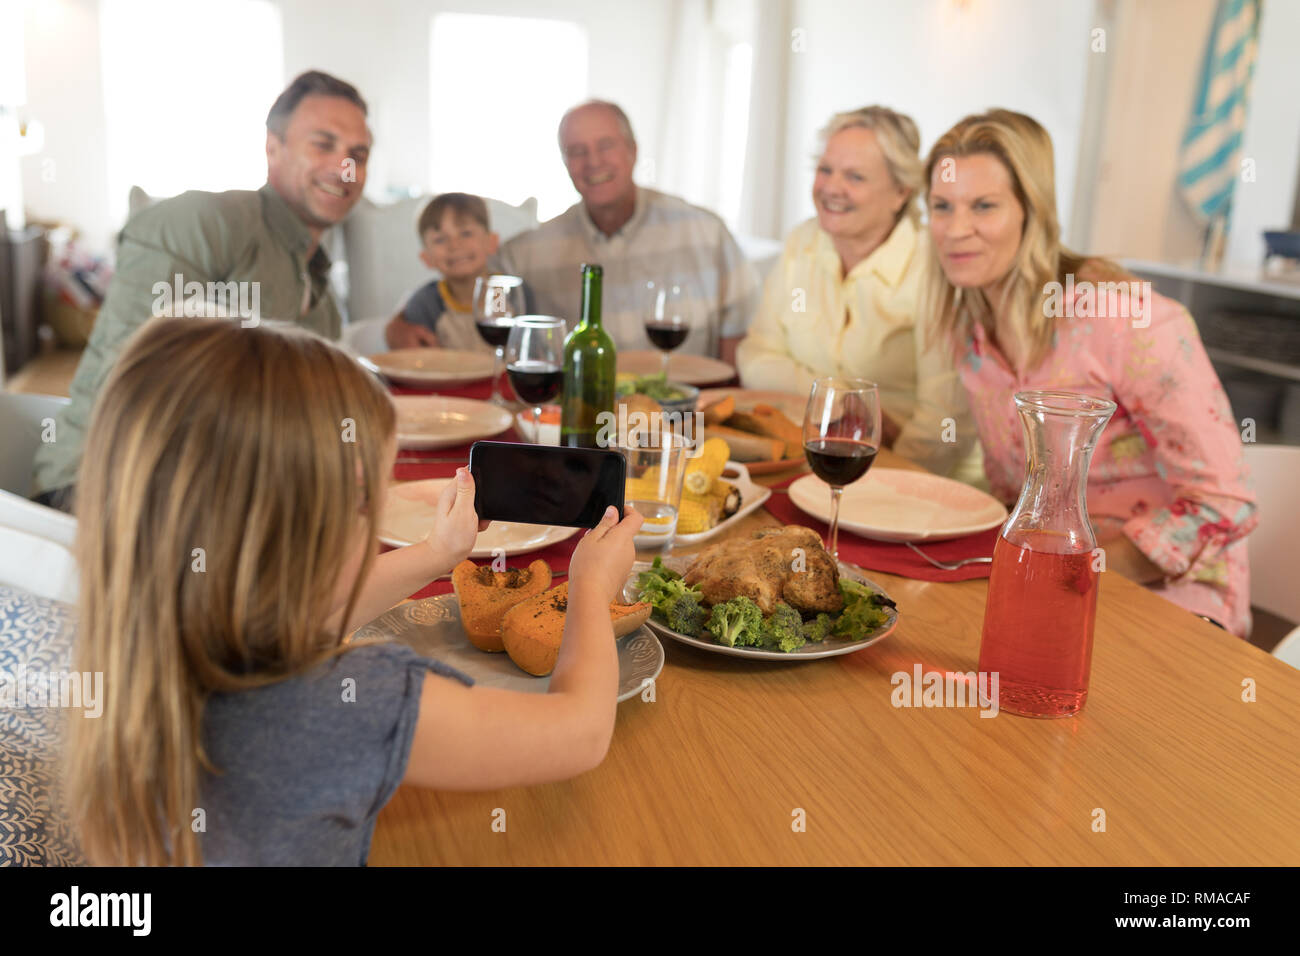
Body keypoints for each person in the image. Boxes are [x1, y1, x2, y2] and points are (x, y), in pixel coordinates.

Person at [64, 317, 644, 866]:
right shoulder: (355, 706)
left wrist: (437, 554)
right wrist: (591, 587)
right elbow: (580, 733)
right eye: (366, 500)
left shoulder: (137, 654)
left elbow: (302, 612)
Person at [923, 108, 1256, 636]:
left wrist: (1072, 576)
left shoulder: (1125, 317)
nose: (956, 229)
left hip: (1170, 597)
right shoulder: (971, 335)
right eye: (942, 206)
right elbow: (1019, 499)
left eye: (984, 206)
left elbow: (1224, 504)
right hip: (1050, 586)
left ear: (1032, 212)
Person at [32, 70, 372, 509]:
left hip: (225, 500)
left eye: (358, 154)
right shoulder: (204, 221)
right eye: (323, 144)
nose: (344, 168)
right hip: (108, 491)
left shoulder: (321, 297)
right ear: (273, 147)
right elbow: (136, 387)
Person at [736, 106, 981, 482]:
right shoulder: (804, 240)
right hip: (815, 463)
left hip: (918, 479)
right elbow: (754, 356)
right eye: (825, 169)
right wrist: (845, 404)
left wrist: (877, 482)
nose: (832, 188)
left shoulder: (935, 263)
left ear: (901, 192)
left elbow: (942, 427)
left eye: (855, 176)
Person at [498, 100, 760, 364]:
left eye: (605, 146)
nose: (593, 162)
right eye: (577, 151)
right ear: (565, 163)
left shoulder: (707, 233)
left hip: (687, 405)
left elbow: (743, 337)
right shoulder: (525, 255)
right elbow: (490, 317)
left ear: (633, 151)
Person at [383, 192, 534, 351]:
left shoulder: (504, 293)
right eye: (440, 239)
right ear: (426, 258)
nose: (454, 245)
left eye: (466, 233)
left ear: (491, 242)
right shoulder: (426, 304)